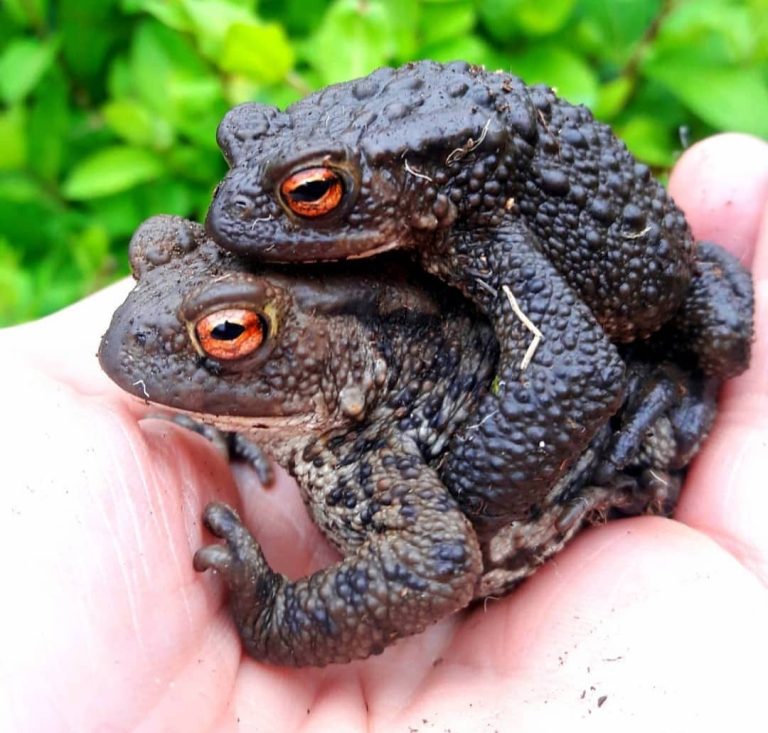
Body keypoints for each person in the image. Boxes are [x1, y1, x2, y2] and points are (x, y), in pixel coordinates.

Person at [1, 133, 766, 732]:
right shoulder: (316, 381)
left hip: (623, 421)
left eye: (226, 333)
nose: (140, 327)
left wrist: (276, 616)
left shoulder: (363, 444)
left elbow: (433, 558)